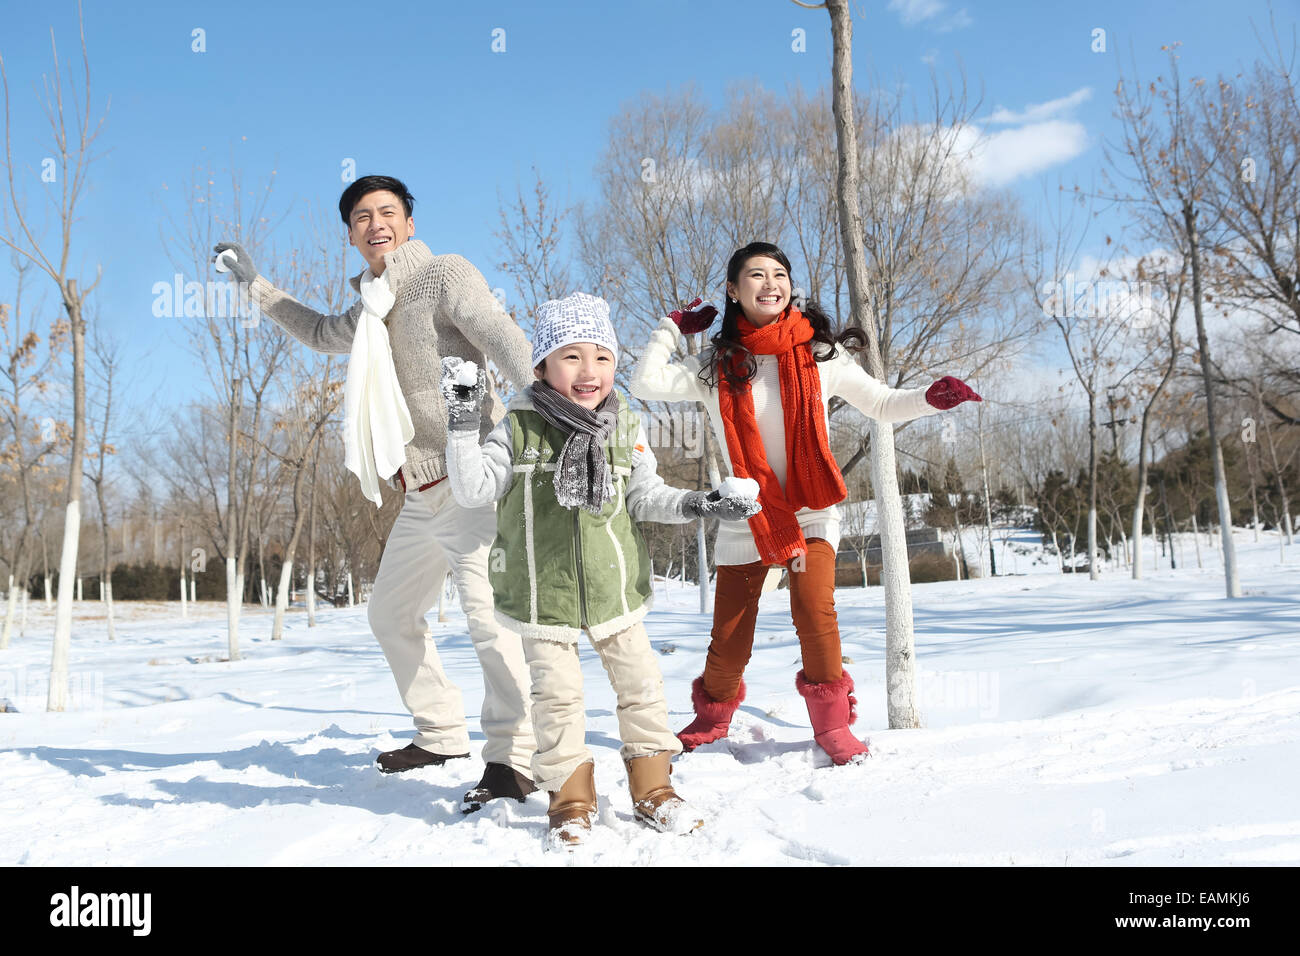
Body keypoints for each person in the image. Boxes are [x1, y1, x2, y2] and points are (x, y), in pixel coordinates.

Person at [212, 175, 538, 813]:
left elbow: (497, 332)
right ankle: (442, 733)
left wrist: (546, 401)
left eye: (387, 212)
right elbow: (318, 331)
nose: (375, 223)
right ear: (352, 234)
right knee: (389, 614)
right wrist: (256, 287)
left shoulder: (444, 275)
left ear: (409, 224)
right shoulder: (369, 306)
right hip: (420, 490)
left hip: (474, 481)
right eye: (361, 216)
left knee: (489, 625)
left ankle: (513, 758)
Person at [630, 241, 982, 765]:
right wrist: (671, 327)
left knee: (814, 612)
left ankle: (833, 725)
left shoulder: (820, 354)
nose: (770, 283)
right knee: (730, 635)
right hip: (746, 513)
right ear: (733, 290)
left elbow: (881, 403)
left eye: (779, 273)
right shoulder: (716, 366)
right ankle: (711, 718)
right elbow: (645, 381)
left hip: (812, 508)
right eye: (755, 275)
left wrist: (929, 399)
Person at [441, 292, 760, 846]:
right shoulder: (518, 425)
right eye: (571, 356)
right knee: (557, 700)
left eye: (602, 357)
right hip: (543, 593)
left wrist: (700, 504)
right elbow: (472, 490)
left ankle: (655, 790)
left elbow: (645, 496)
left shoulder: (624, 422)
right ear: (541, 365)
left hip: (616, 588)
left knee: (642, 688)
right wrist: (462, 426)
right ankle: (569, 800)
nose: (589, 371)